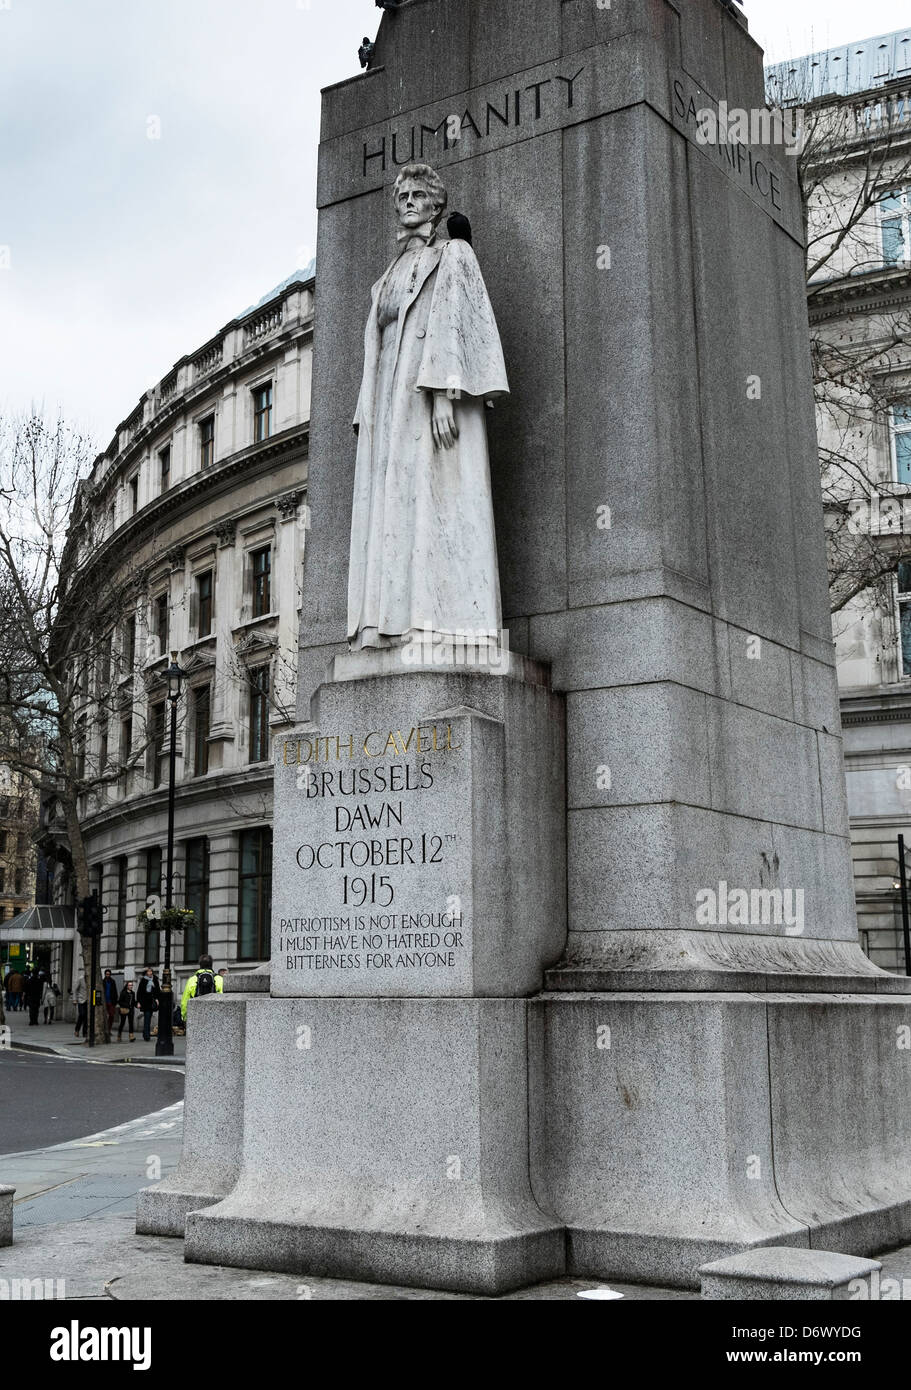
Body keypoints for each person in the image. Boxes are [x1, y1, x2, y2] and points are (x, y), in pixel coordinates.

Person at [347, 162, 508, 654]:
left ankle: (436, 621)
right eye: (403, 196)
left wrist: (444, 392)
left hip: (428, 395)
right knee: (394, 512)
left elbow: (458, 322)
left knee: (432, 505)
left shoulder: (453, 255)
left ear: (437, 206)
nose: (409, 202)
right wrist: (366, 413)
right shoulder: (386, 278)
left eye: (419, 195)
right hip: (390, 402)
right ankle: (385, 623)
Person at [180, 954, 223, 1025]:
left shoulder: (192, 980)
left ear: (200, 965)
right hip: (215, 1016)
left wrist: (184, 1017)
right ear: (211, 964)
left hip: (197, 1016)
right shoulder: (219, 979)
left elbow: (185, 1000)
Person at [135, 967, 160, 1043]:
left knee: (148, 1018)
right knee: (147, 1018)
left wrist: (157, 999)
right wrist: (138, 1002)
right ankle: (147, 1035)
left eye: (151, 971)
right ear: (146, 973)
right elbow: (139, 991)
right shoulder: (143, 980)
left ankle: (145, 1033)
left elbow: (157, 990)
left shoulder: (155, 979)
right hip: (145, 1002)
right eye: (148, 972)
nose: (150, 973)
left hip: (152, 1002)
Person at [74, 974, 88, 1039]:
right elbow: (75, 990)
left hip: (88, 1001)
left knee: (86, 1017)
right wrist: (75, 999)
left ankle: (84, 1032)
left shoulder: (91, 979)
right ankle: (77, 1029)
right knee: (82, 1014)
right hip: (81, 1000)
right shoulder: (80, 979)